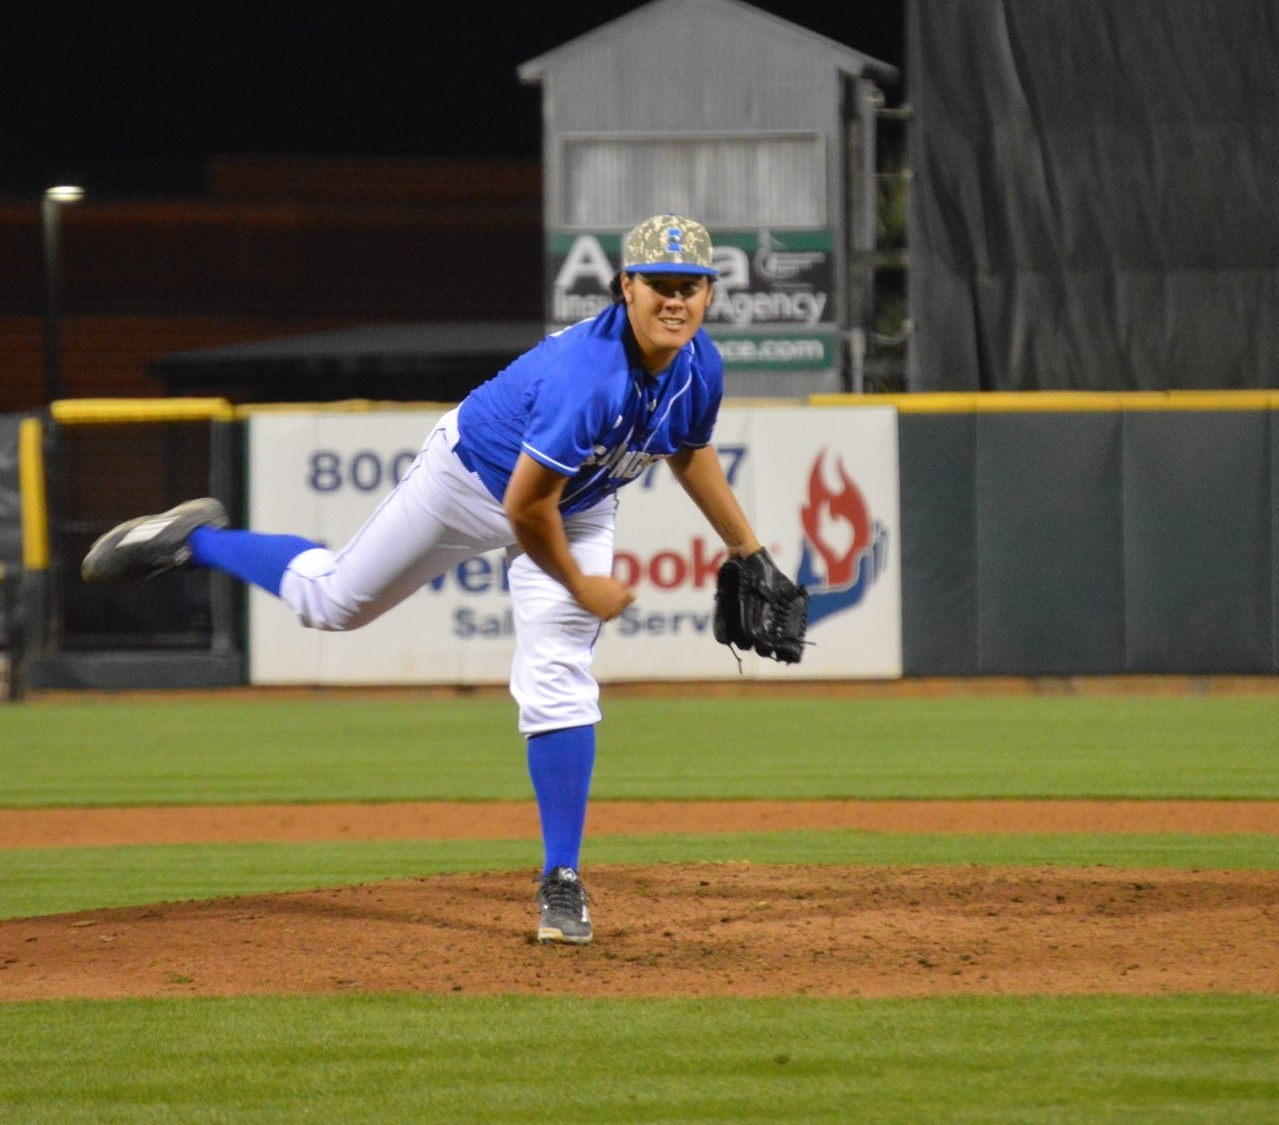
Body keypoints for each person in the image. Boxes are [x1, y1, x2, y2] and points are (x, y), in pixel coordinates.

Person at [84, 213, 784, 946]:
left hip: (578, 503)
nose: (676, 301)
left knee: (559, 669)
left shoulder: (700, 363)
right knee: (332, 602)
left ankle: (562, 878)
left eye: (691, 287)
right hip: (470, 483)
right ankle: (197, 539)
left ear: (710, 294)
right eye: (659, 285)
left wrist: (748, 550)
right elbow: (525, 506)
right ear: (625, 287)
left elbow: (688, 449)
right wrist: (579, 586)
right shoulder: (590, 376)